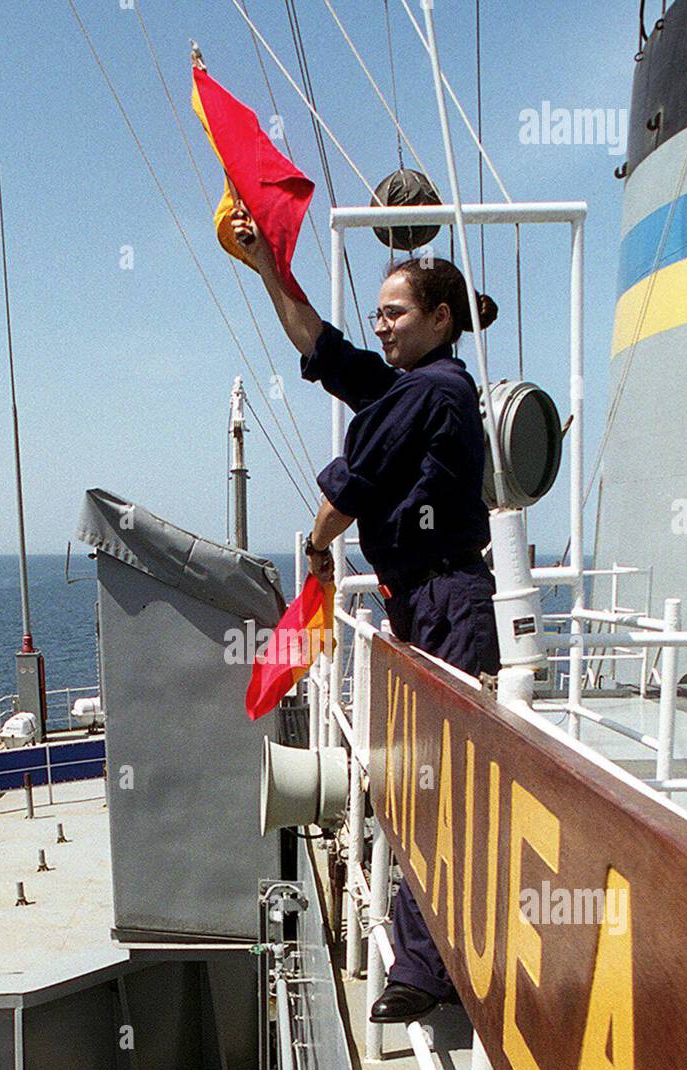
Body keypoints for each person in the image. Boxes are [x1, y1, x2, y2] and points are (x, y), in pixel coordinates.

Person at [232, 205, 500, 1023]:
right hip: (417, 602)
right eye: (379, 314)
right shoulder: (404, 389)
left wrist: (314, 549)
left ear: (440, 319)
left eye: (395, 314)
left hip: (447, 601)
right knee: (414, 781)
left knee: (433, 785)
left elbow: (354, 482)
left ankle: (429, 968)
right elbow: (321, 347)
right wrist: (264, 267)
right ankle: (432, 956)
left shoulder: (437, 388)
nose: (379, 327)